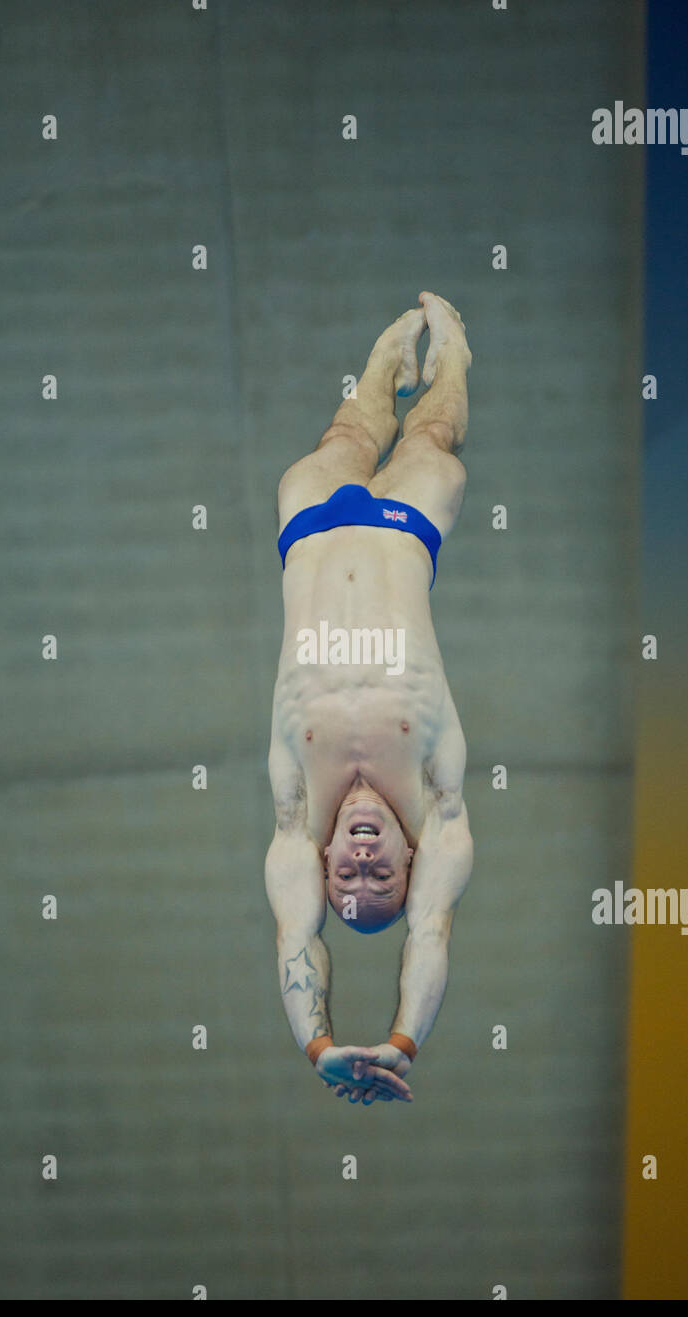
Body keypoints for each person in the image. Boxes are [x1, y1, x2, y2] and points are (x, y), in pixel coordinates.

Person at [264, 292, 474, 1104]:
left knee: (348, 434)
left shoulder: (295, 814)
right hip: (404, 527)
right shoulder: (438, 805)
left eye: (341, 882)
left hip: (308, 526)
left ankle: (390, 349)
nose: (356, 865)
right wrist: (400, 1041)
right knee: (430, 435)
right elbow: (430, 929)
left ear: (318, 862)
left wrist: (318, 1043)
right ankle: (452, 353)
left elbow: (294, 933)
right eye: (376, 881)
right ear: (411, 862)